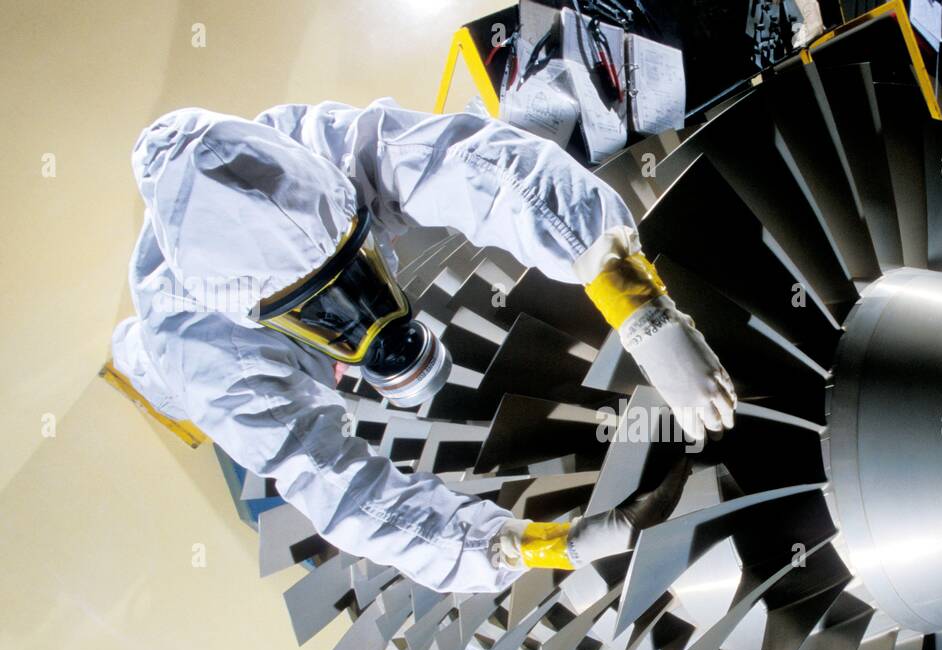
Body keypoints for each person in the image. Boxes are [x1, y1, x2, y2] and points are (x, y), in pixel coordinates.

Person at [111, 99, 736, 592]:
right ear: (260, 314)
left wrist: (638, 306)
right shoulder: (221, 367)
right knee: (149, 367)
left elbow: (488, 168)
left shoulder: (311, 157)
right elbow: (349, 495)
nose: (364, 313)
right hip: (174, 360)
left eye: (353, 268)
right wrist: (545, 543)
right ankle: (133, 363)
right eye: (324, 308)